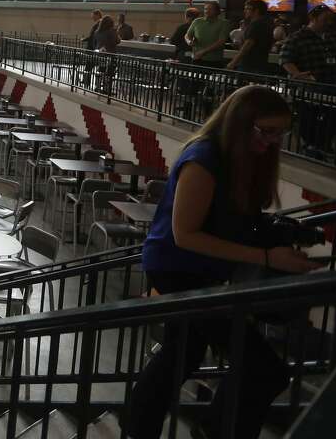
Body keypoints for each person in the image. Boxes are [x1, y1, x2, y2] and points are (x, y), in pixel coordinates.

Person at [128, 86, 318, 439]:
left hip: (200, 271)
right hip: (177, 270)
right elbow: (185, 234)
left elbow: (233, 221)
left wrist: (278, 236)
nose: (275, 141)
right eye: (267, 131)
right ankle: (213, 429)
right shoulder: (204, 158)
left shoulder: (241, 159)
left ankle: (142, 429)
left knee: (180, 356)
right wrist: (265, 256)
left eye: (281, 132)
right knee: (263, 367)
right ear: (240, 124)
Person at [280, 4, 336, 156]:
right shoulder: (297, 37)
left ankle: (323, 144)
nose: (329, 23)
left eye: (331, 19)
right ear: (313, 18)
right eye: (325, 19)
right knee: (310, 116)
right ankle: (312, 145)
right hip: (310, 86)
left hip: (335, 84)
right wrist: (298, 74)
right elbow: (286, 59)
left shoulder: (335, 37)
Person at [228, 0, 275, 74]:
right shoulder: (266, 23)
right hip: (260, 63)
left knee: (245, 85)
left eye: (247, 9)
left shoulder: (256, 24)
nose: (245, 11)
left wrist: (233, 62)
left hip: (250, 65)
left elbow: (248, 44)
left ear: (256, 11)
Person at [186, 2, 227, 66]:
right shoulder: (197, 21)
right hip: (196, 58)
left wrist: (203, 52)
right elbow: (187, 35)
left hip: (214, 60)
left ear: (217, 11)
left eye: (210, 9)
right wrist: (189, 41)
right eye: (205, 9)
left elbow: (221, 42)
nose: (207, 11)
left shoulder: (223, 23)